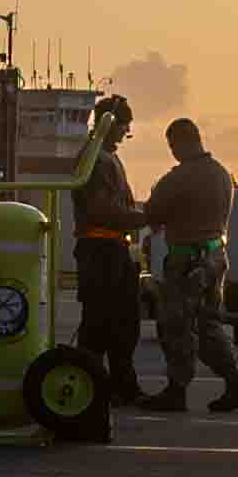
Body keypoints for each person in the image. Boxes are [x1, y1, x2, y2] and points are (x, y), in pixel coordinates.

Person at [141, 114, 238, 412]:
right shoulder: (221, 174)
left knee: (174, 325)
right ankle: (236, 383)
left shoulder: (178, 178)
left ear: (177, 143)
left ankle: (177, 390)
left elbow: (153, 213)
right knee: (209, 325)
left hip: (185, 261)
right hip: (214, 257)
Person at [71, 95, 147, 390]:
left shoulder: (105, 156)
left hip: (114, 249)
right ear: (111, 124)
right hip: (101, 251)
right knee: (101, 323)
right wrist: (143, 216)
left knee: (123, 323)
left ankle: (119, 385)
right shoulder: (96, 159)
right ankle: (94, 385)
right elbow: (101, 210)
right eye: (123, 128)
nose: (125, 135)